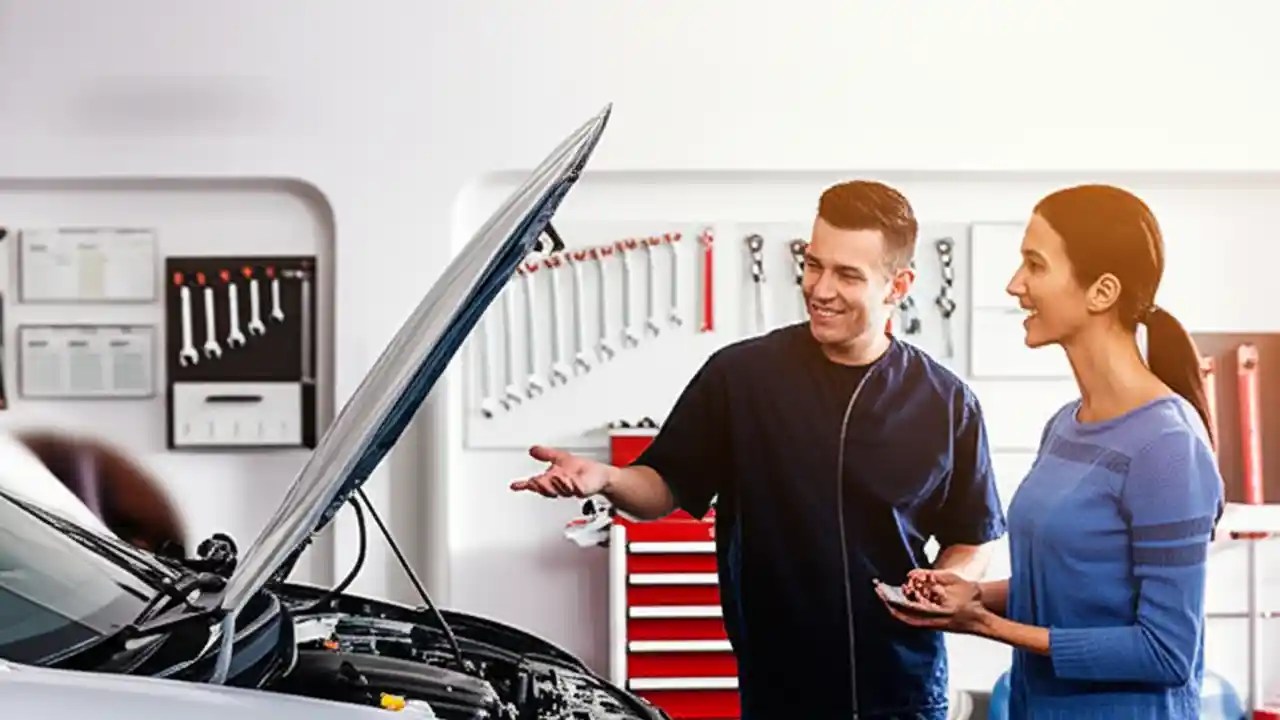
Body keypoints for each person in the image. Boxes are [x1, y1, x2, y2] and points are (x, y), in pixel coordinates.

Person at [512, 180, 1008, 719]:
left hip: (903, 692)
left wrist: (945, 581)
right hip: (779, 691)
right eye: (814, 264)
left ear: (899, 284)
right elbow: (664, 486)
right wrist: (606, 478)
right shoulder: (742, 377)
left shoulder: (946, 403)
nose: (820, 288)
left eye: (847, 275)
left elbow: (971, 535)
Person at [878, 184, 1224, 718]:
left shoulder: (1168, 447)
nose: (1016, 285)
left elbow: (1166, 652)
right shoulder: (1065, 425)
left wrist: (989, 627)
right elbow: (1073, 587)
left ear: (1102, 291)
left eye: (1035, 265)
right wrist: (972, 595)